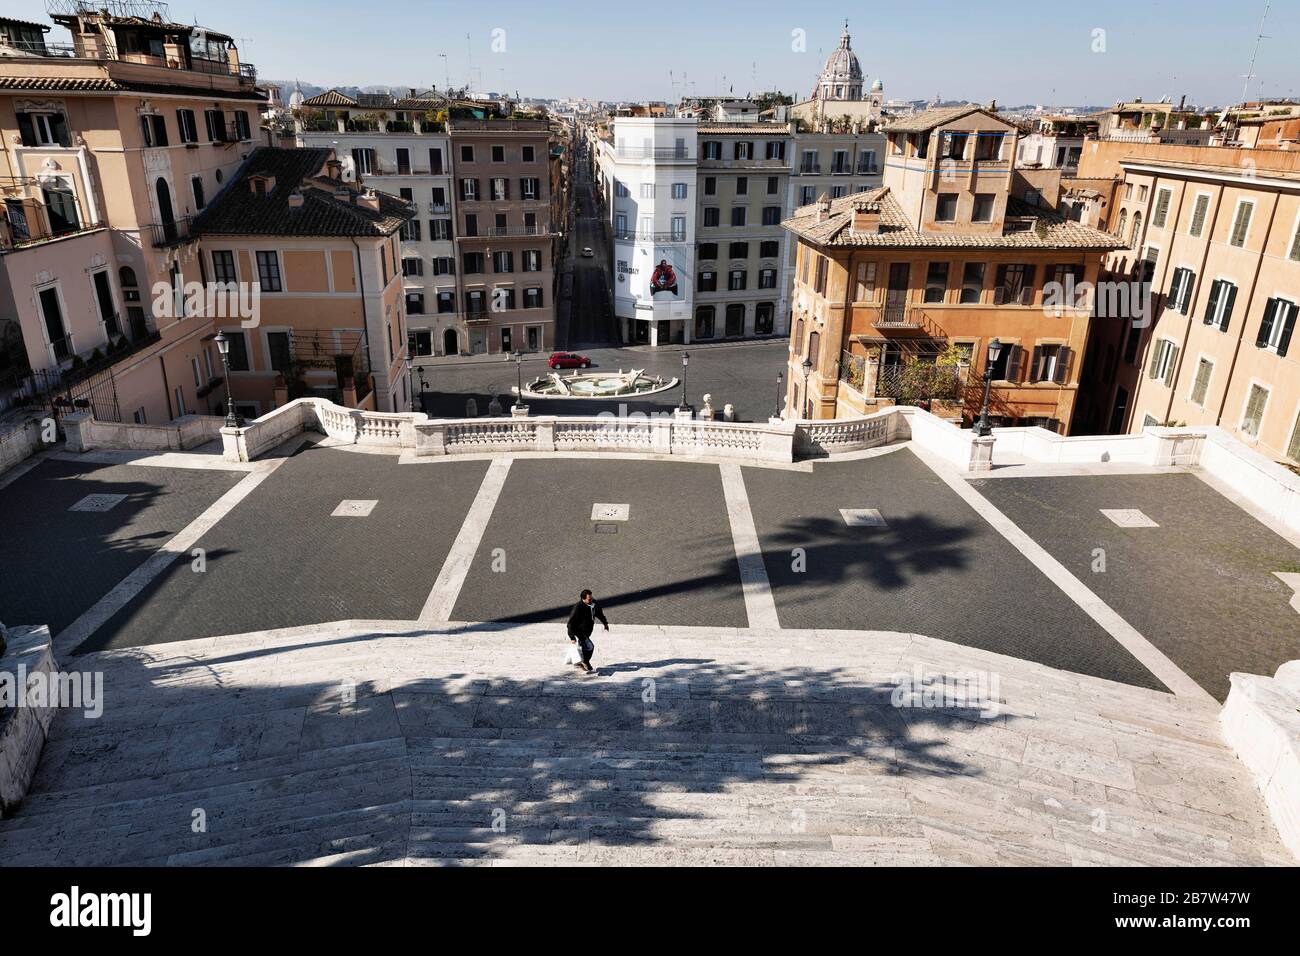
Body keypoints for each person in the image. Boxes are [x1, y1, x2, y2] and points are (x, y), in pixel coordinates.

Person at [566, 588, 608, 674]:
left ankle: (580, 662)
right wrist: (572, 637)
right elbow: (570, 623)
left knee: (583, 647)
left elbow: (599, 613)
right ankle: (585, 662)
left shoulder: (594, 603)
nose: (591, 600)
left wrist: (605, 623)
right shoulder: (578, 607)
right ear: (583, 599)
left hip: (588, 631)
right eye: (589, 599)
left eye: (591, 597)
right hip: (579, 631)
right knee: (590, 647)